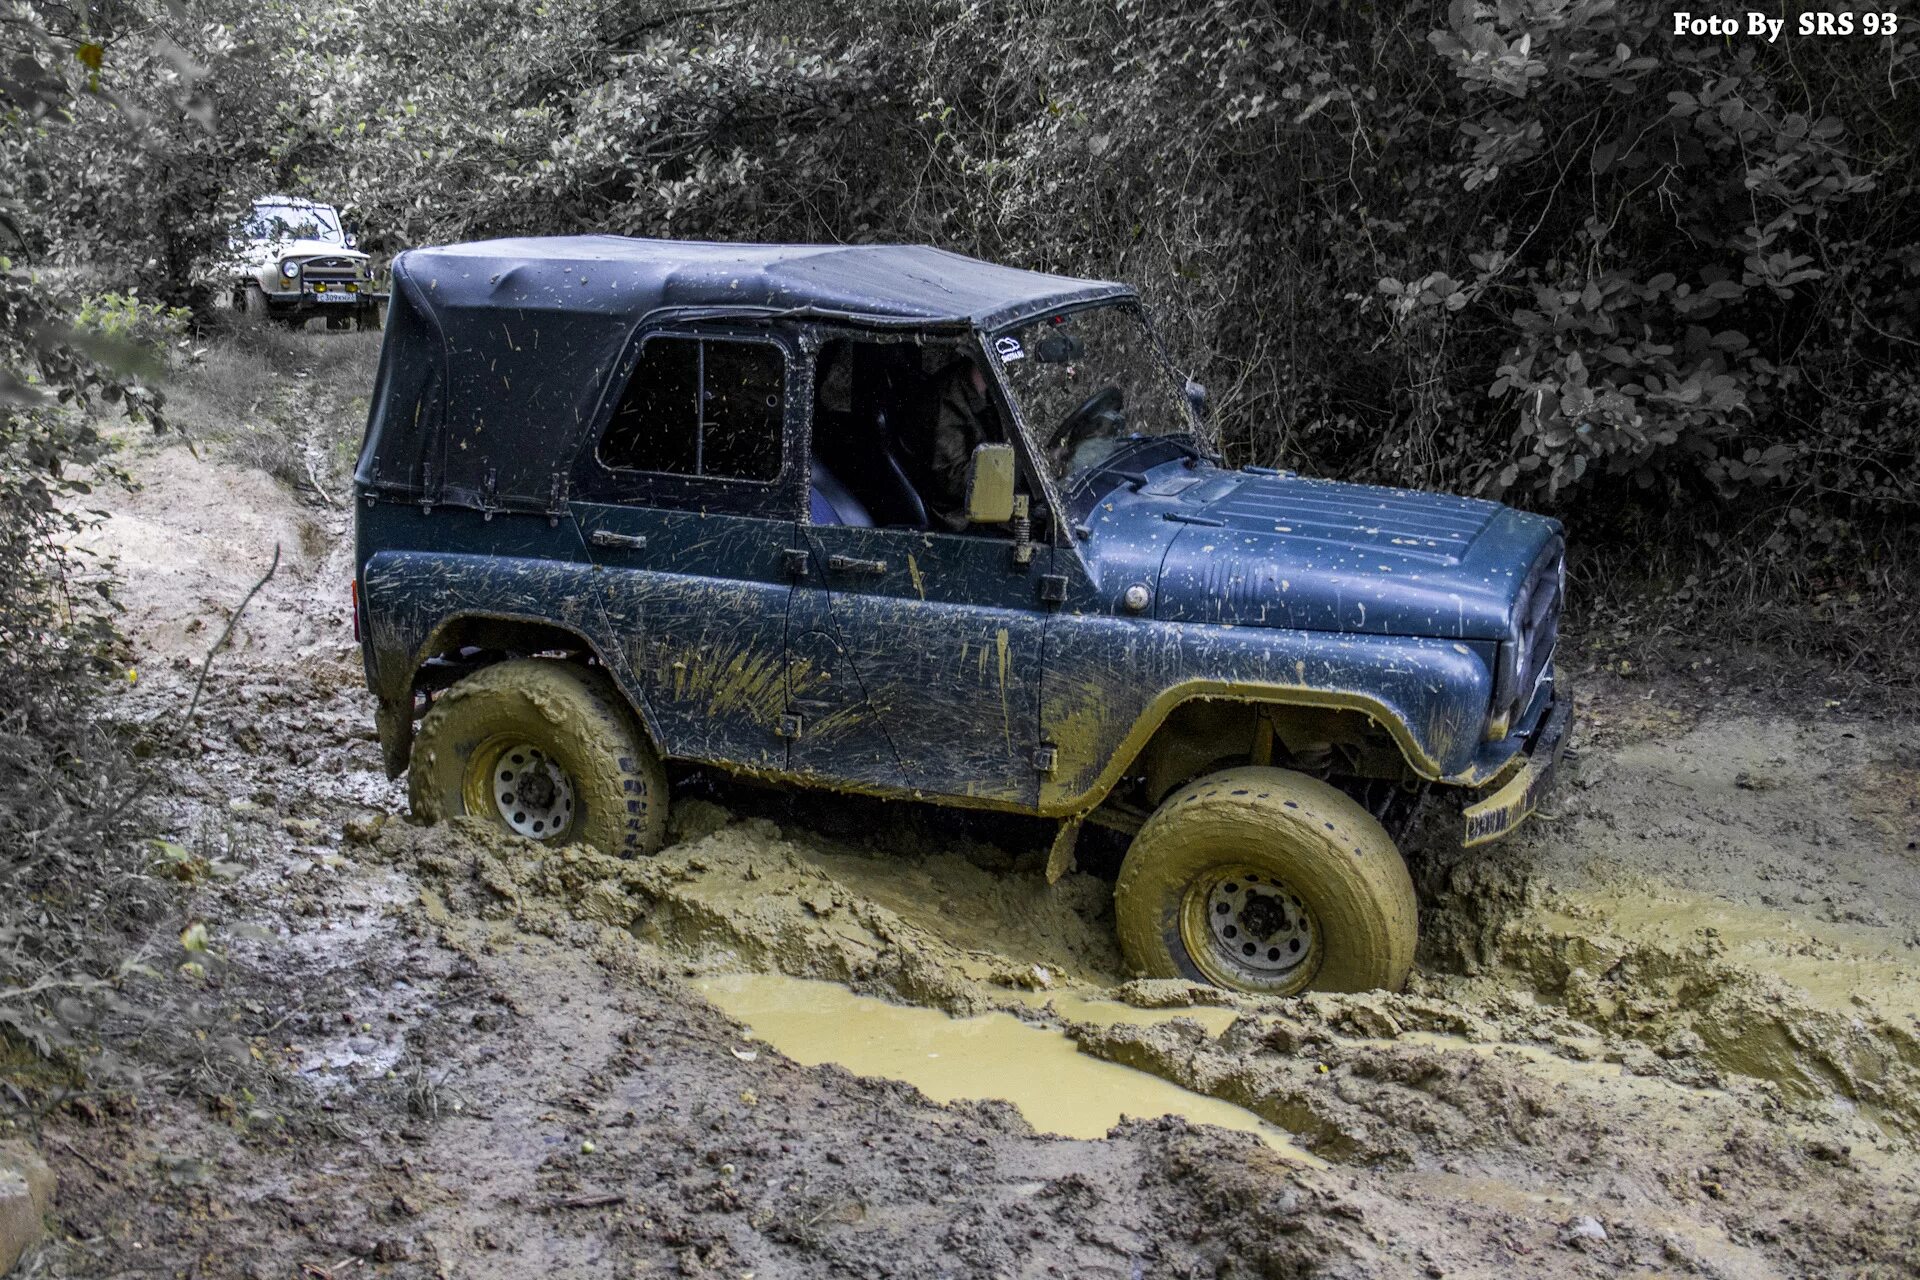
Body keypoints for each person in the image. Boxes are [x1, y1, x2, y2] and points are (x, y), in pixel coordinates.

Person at [902, 353, 998, 531]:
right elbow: (952, 478)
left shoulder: (990, 391)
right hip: (955, 518)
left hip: (980, 507)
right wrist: (1019, 469)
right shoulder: (947, 397)